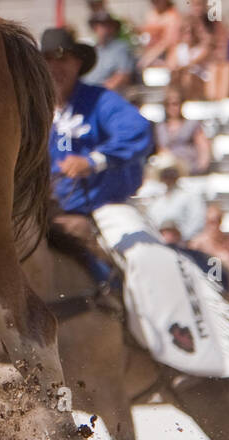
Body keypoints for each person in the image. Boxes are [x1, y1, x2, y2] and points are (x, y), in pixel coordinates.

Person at [43, 26, 154, 285]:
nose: (55, 67)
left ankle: (135, 316)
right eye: (47, 59)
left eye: (63, 59)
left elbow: (138, 130)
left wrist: (94, 160)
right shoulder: (35, 109)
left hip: (104, 206)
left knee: (143, 257)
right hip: (47, 211)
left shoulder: (101, 100)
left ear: (78, 63)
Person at [145, 156, 206, 245]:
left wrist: (183, 238)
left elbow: (197, 220)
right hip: (160, 243)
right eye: (165, 174)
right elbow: (151, 222)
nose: (168, 176)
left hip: (184, 244)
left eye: (171, 173)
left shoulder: (189, 196)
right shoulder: (156, 200)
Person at [154, 90, 212, 176]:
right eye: (168, 104)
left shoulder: (191, 125)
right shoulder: (159, 127)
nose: (172, 107)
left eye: (175, 104)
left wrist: (201, 167)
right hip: (167, 169)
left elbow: (203, 146)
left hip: (189, 166)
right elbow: (160, 149)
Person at [81, 11, 137, 94]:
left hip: (107, 95)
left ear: (114, 28)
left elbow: (123, 76)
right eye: (101, 25)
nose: (105, 29)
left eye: (108, 25)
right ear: (94, 28)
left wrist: (100, 93)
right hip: (86, 92)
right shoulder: (91, 49)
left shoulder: (121, 48)